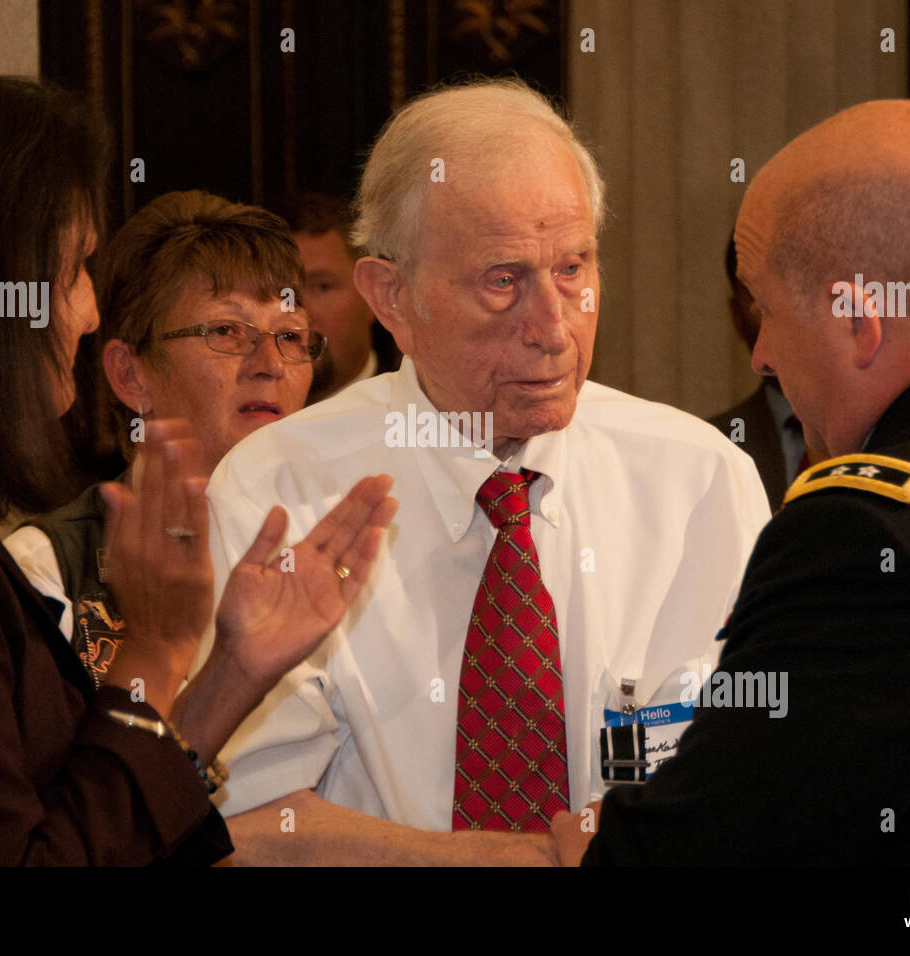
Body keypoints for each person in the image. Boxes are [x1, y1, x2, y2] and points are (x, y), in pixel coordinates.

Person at [0, 57, 396, 865]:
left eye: (291, 338)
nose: (85, 312)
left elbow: (87, 823)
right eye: (72, 266)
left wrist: (232, 672)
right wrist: (157, 647)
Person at [207, 78, 771, 864]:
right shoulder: (280, 487)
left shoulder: (700, 480)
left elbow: (757, 778)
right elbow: (248, 826)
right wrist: (526, 861)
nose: (553, 329)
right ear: (392, 297)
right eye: (503, 281)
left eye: (574, 269)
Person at [552, 99, 910, 865]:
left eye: (766, 310)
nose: (760, 354)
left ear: (859, 323)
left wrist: (594, 842)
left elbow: (699, 855)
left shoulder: (866, 537)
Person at [5, 191, 318, 683]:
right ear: (131, 375)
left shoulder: (342, 548)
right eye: (227, 331)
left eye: (291, 336)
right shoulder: (47, 571)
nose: (271, 365)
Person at [267, 190, 401, 403]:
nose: (300, 314)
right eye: (283, 292)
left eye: (322, 287)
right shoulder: (243, 423)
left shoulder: (419, 418)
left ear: (374, 295)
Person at [708, 236, 808, 510]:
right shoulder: (709, 446)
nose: (774, 319)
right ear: (736, 316)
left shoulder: (888, 434)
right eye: (756, 301)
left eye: (788, 292)